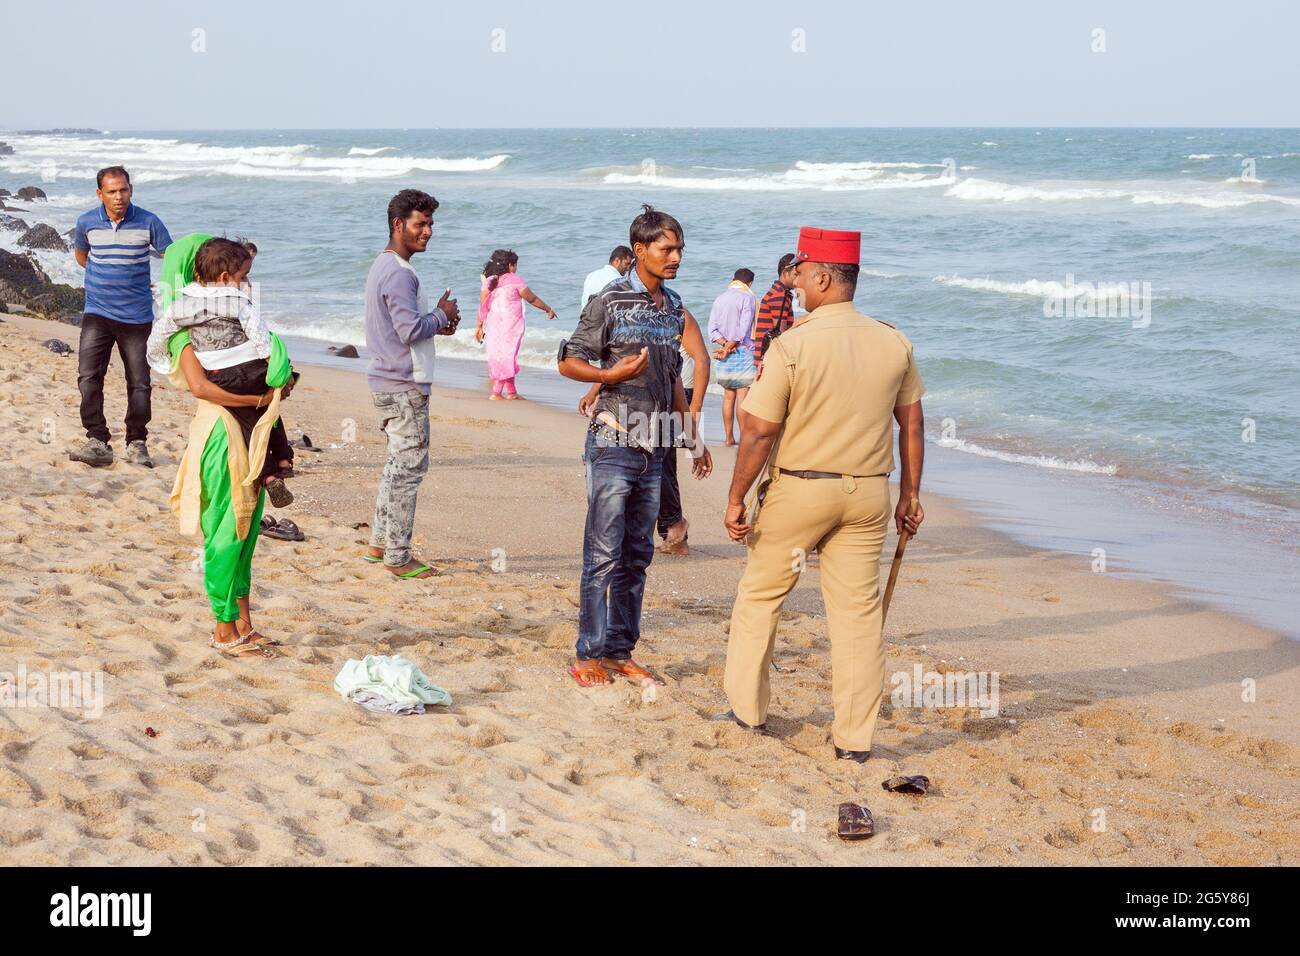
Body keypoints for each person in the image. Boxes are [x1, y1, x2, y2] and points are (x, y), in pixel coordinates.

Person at [719, 227, 926, 763]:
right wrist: (910, 496)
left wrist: (736, 497)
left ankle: (747, 712)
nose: (795, 284)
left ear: (824, 277)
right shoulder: (893, 341)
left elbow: (760, 429)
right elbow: (912, 427)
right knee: (857, 619)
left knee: (760, 598)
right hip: (868, 497)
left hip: (802, 491)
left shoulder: (794, 344)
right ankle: (853, 742)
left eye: (803, 273)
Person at [558, 204, 712, 687]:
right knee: (602, 552)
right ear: (640, 250)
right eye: (667, 249)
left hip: (657, 447)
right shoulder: (609, 301)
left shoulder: (673, 307)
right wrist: (608, 375)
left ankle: (620, 651)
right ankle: (587, 654)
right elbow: (567, 359)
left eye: (680, 249)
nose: (676, 257)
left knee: (637, 556)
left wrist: (693, 436)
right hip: (613, 442)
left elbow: (672, 376)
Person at [159, 236, 297, 659]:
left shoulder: (229, 319)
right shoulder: (183, 332)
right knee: (227, 528)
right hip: (221, 433)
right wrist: (260, 400)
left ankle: (244, 624)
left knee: (247, 529)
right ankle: (223, 631)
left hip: (245, 429)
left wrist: (276, 387)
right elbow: (202, 387)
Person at [146, 237, 295, 507]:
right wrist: (274, 366)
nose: (245, 283)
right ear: (226, 277)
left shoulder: (181, 305)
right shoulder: (238, 300)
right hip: (252, 369)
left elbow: (158, 336)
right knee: (269, 408)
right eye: (244, 276)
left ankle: (271, 474)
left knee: (250, 419)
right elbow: (260, 336)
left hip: (220, 375)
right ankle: (281, 462)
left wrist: (161, 362)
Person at [363, 189, 461, 579]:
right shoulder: (399, 273)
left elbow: (404, 327)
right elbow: (408, 330)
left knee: (396, 466)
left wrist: (437, 322)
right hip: (403, 385)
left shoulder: (384, 266)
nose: (428, 232)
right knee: (409, 470)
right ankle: (398, 556)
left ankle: (379, 543)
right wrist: (441, 314)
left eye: (431, 224)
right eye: (421, 224)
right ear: (397, 225)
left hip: (387, 380)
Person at [578, 308, 710, 555]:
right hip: (640, 398)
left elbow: (702, 359)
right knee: (648, 462)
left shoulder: (678, 315)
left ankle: (673, 528)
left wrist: (695, 408)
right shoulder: (631, 314)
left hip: (679, 397)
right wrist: (594, 391)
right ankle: (663, 529)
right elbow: (618, 361)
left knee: (662, 464)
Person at [69, 165, 172, 468]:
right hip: (97, 312)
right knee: (88, 377)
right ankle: (97, 440)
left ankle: (137, 442)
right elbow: (81, 254)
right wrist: (105, 279)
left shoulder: (149, 221)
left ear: (131, 190)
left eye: (124, 190)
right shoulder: (86, 221)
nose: (119, 196)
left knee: (139, 381)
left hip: (138, 316)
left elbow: (170, 254)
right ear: (100, 193)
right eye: (112, 191)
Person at [474, 249, 556, 400]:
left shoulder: (489, 282)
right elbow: (532, 299)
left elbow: (483, 306)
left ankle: (511, 391)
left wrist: (478, 326)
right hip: (510, 326)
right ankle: (496, 392)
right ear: (510, 265)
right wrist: (548, 309)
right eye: (515, 265)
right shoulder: (515, 280)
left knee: (499, 355)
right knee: (508, 355)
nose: (516, 268)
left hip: (493, 326)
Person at [707, 268, 757, 445]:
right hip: (742, 351)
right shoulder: (748, 297)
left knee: (728, 396)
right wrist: (730, 346)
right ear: (749, 283)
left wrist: (724, 345)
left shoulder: (720, 299)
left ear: (733, 280)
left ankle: (728, 437)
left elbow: (711, 329)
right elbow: (743, 330)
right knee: (743, 395)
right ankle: (744, 438)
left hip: (724, 351)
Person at [753, 253, 798, 368]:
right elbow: (781, 332)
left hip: (766, 355)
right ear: (784, 273)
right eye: (796, 274)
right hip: (770, 357)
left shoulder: (777, 291)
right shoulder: (779, 295)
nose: (798, 279)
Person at [580, 245, 633, 312]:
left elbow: (584, 303)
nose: (628, 268)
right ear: (617, 261)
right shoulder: (619, 281)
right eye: (627, 264)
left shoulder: (590, 276)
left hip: (587, 319)